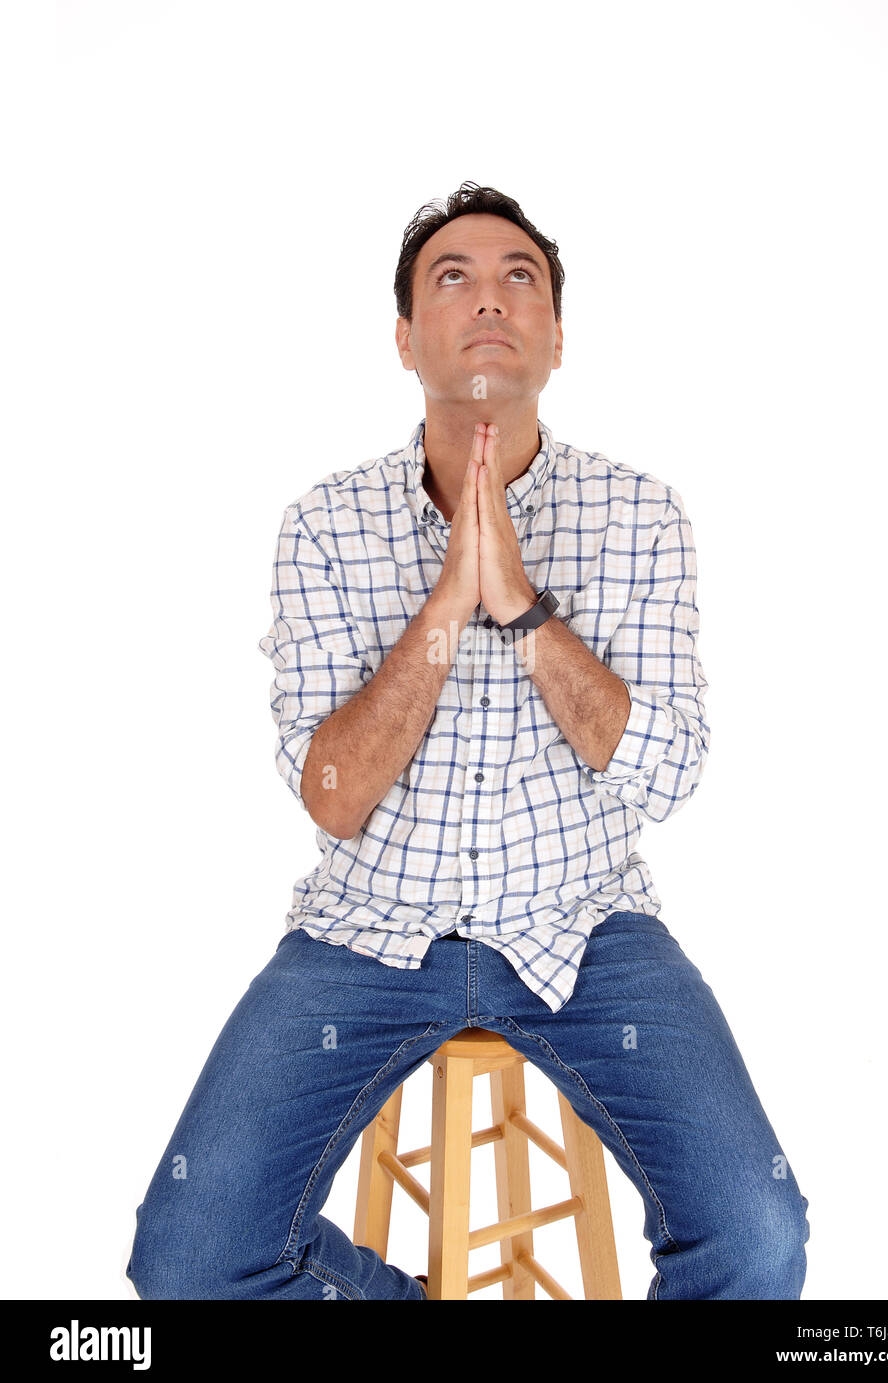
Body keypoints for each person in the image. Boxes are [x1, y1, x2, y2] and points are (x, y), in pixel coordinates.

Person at [126, 181, 809, 1300]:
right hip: (368, 931)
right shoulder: (324, 522)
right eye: (451, 277)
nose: (486, 296)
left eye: (517, 277)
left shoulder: (642, 513)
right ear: (405, 338)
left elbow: (671, 768)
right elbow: (334, 796)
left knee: (759, 1238)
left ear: (554, 335)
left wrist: (528, 612)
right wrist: (448, 605)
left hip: (586, 928)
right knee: (192, 1262)